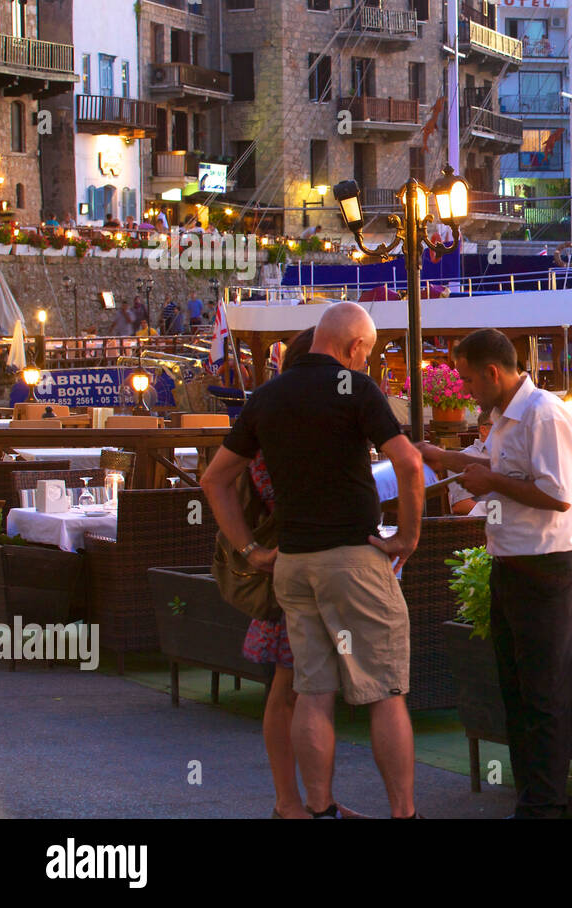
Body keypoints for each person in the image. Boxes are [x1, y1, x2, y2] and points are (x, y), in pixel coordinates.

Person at [201, 302, 425, 819]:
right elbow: (409, 461)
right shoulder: (356, 388)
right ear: (354, 348)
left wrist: (249, 550)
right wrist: (406, 538)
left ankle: (317, 809)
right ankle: (404, 813)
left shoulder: (266, 396)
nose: (366, 365)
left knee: (313, 692)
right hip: (352, 558)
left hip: (293, 564)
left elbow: (214, 479)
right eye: (366, 355)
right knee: (386, 691)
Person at [417, 328, 572, 819]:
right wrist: (443, 456)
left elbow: (559, 496)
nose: (464, 389)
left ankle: (547, 805)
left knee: (544, 693)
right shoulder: (503, 416)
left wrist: (490, 482)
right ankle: (532, 798)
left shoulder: (544, 413)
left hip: (544, 568)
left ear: (493, 372)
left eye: (468, 379)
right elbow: (493, 464)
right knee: (516, 690)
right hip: (508, 563)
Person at [232, 327, 368, 819]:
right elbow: (260, 487)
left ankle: (312, 801)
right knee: (293, 689)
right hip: (296, 563)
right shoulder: (283, 421)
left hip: (296, 562)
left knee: (301, 688)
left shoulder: (279, 413)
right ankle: (294, 802)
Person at [448, 415, 493, 514]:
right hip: (487, 524)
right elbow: (460, 505)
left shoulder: (511, 455)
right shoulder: (464, 459)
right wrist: (499, 516)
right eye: (501, 426)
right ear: (484, 430)